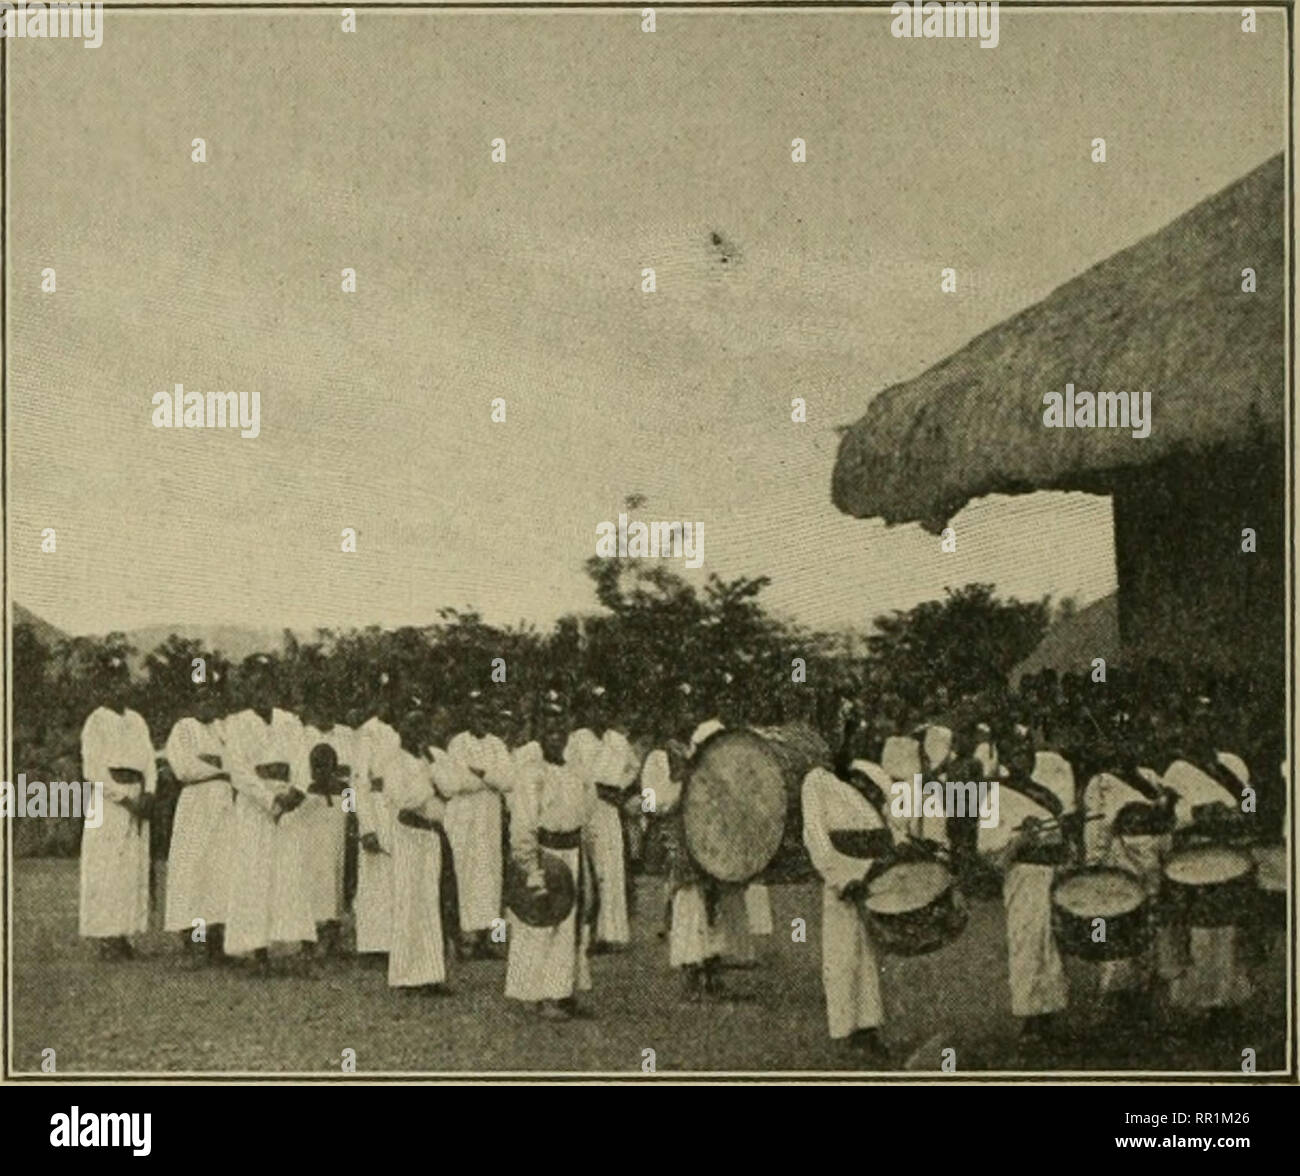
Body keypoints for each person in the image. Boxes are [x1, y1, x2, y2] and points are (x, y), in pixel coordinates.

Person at [977, 726, 1073, 1051]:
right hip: (1023, 874)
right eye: (1016, 754)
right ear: (1005, 759)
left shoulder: (1046, 793)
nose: (1023, 759)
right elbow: (988, 849)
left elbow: (1061, 836)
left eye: (1027, 754)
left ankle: (1051, 1016)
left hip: (1051, 872)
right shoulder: (996, 795)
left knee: (1051, 943)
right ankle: (1031, 1020)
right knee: (1027, 940)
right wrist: (1020, 839)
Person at [505, 697, 598, 1020]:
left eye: (561, 728)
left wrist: (587, 858)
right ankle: (540, 995)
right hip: (546, 853)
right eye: (549, 729)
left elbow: (588, 814)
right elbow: (523, 824)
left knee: (570, 925)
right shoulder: (531, 773)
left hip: (573, 851)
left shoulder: (577, 772)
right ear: (541, 735)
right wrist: (530, 866)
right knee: (541, 921)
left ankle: (563, 992)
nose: (556, 735)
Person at [221, 660, 316, 974]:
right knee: (254, 874)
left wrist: (296, 792)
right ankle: (257, 950)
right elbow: (238, 770)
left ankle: (291, 944)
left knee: (289, 874)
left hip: (289, 804)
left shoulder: (289, 721)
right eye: (256, 684)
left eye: (269, 684)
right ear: (247, 688)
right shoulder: (236, 723)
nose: (263, 691)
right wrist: (269, 799)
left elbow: (302, 761)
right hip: (256, 806)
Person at [801, 761, 893, 1064]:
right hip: (844, 874)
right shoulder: (816, 780)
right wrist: (839, 876)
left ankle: (868, 1029)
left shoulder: (869, 771)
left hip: (875, 870)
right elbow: (815, 832)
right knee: (842, 953)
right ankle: (847, 1031)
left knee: (869, 956)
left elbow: (891, 818)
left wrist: (891, 859)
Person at [79, 661, 156, 960]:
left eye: (122, 681)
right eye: (112, 683)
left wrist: (149, 792)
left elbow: (149, 761)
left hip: (138, 795)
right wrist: (124, 798)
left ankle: (124, 934)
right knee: (107, 867)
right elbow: (93, 770)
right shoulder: (96, 721)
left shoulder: (137, 720)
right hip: (111, 801)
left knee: (131, 868)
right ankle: (106, 936)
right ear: (102, 686)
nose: (118, 688)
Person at [163, 693, 235, 966]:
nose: (208, 706)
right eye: (202, 700)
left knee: (221, 870)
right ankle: (194, 943)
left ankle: (217, 944)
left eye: (213, 700)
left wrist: (218, 764)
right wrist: (218, 766)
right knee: (193, 869)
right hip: (196, 805)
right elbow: (184, 768)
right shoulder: (183, 728)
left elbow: (236, 762)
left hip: (224, 805)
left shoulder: (224, 728)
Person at [382, 710, 451, 995]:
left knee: (429, 902)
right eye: (412, 726)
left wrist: (434, 776)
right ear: (401, 730)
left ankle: (430, 974)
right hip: (408, 834)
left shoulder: (428, 758)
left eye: (422, 726)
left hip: (430, 834)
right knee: (408, 903)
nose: (418, 732)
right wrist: (428, 786)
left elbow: (450, 788)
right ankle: (404, 976)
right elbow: (403, 798)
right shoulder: (394, 761)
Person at [439, 699, 508, 961]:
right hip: (463, 817)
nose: (484, 720)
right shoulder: (458, 743)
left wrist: (482, 773)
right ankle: (462, 941)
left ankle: (485, 939)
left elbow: (508, 780)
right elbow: (457, 783)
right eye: (478, 715)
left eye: (488, 715)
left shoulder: (497, 744)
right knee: (463, 874)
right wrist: (489, 777)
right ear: (469, 717)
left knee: (489, 875)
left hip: (489, 817)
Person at [299, 705, 357, 959]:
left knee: (335, 886)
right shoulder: (308, 792)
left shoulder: (343, 789)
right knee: (312, 887)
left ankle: (333, 938)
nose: (322, 771)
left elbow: (351, 815)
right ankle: (309, 941)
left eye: (327, 765)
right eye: (318, 766)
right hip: (314, 849)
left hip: (336, 846)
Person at [354, 711, 399, 965]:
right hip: (377, 807)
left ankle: (395, 941)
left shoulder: (400, 730)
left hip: (400, 808)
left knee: (397, 875)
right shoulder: (367, 732)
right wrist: (366, 826)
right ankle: (372, 945)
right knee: (375, 877)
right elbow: (359, 782)